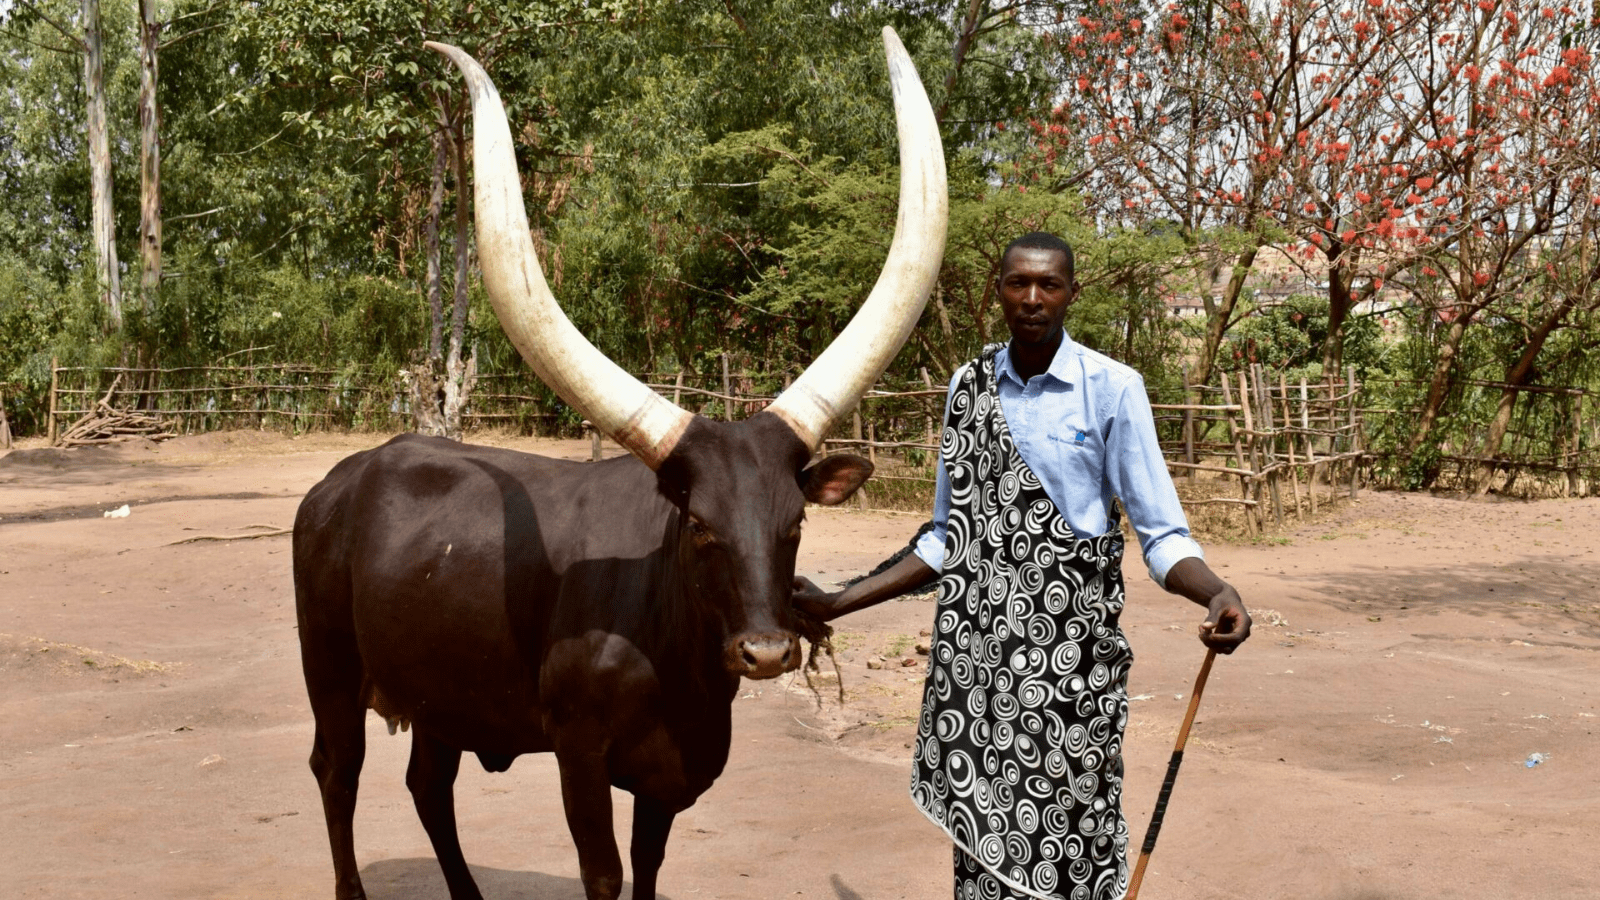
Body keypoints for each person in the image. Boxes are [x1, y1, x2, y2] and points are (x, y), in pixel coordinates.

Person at [792, 232, 1251, 900]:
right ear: (999, 292)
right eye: (1018, 283)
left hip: (1071, 673)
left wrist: (1216, 591)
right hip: (977, 672)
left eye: (1049, 285)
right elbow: (948, 537)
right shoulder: (968, 388)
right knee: (984, 846)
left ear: (1071, 293)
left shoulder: (1112, 389)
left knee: (1071, 838)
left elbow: (1162, 536)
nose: (1032, 298)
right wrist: (839, 599)